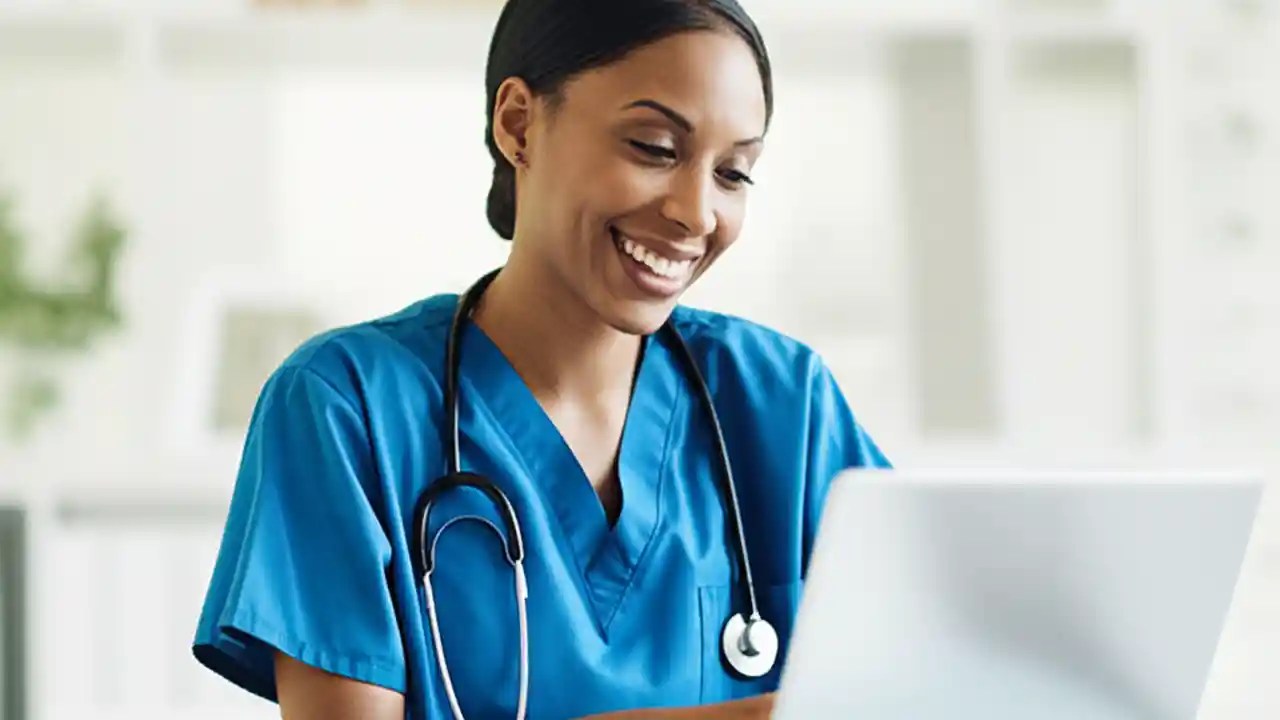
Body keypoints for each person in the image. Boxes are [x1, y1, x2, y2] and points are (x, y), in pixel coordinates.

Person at [192, 0, 891, 717]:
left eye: (734, 174)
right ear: (518, 124)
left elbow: (941, 669)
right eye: (654, 147)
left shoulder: (786, 406)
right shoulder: (347, 407)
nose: (696, 213)